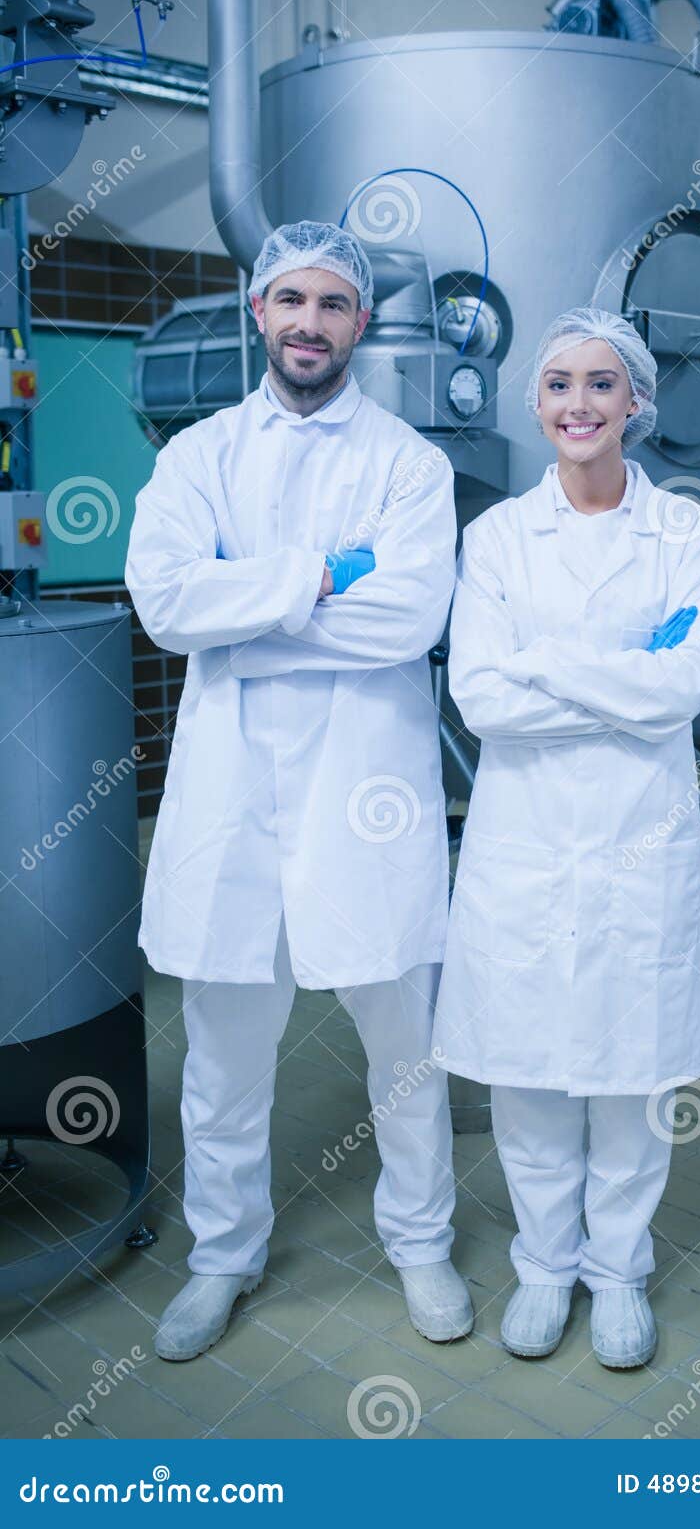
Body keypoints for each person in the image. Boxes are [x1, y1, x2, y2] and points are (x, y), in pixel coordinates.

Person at [125, 221, 472, 1361]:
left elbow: (409, 620)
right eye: (290, 301)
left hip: (362, 798)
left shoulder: (411, 468)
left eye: (333, 304)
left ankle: (420, 1243)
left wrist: (251, 613)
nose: (310, 323)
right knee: (223, 1055)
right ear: (257, 313)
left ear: (360, 323)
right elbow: (167, 607)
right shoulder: (199, 458)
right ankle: (220, 1256)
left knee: (402, 1046)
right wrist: (318, 582)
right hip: (232, 801)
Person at [433, 305, 700, 1370]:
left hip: (636, 832)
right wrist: (615, 671)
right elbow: (479, 696)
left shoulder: (686, 533)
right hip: (525, 842)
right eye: (559, 383)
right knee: (525, 1070)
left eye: (601, 383)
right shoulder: (496, 538)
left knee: (632, 1067)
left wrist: (547, 662)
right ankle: (543, 1267)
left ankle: (617, 1274)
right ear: (535, 402)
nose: (579, 402)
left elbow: (679, 692)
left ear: (636, 403)